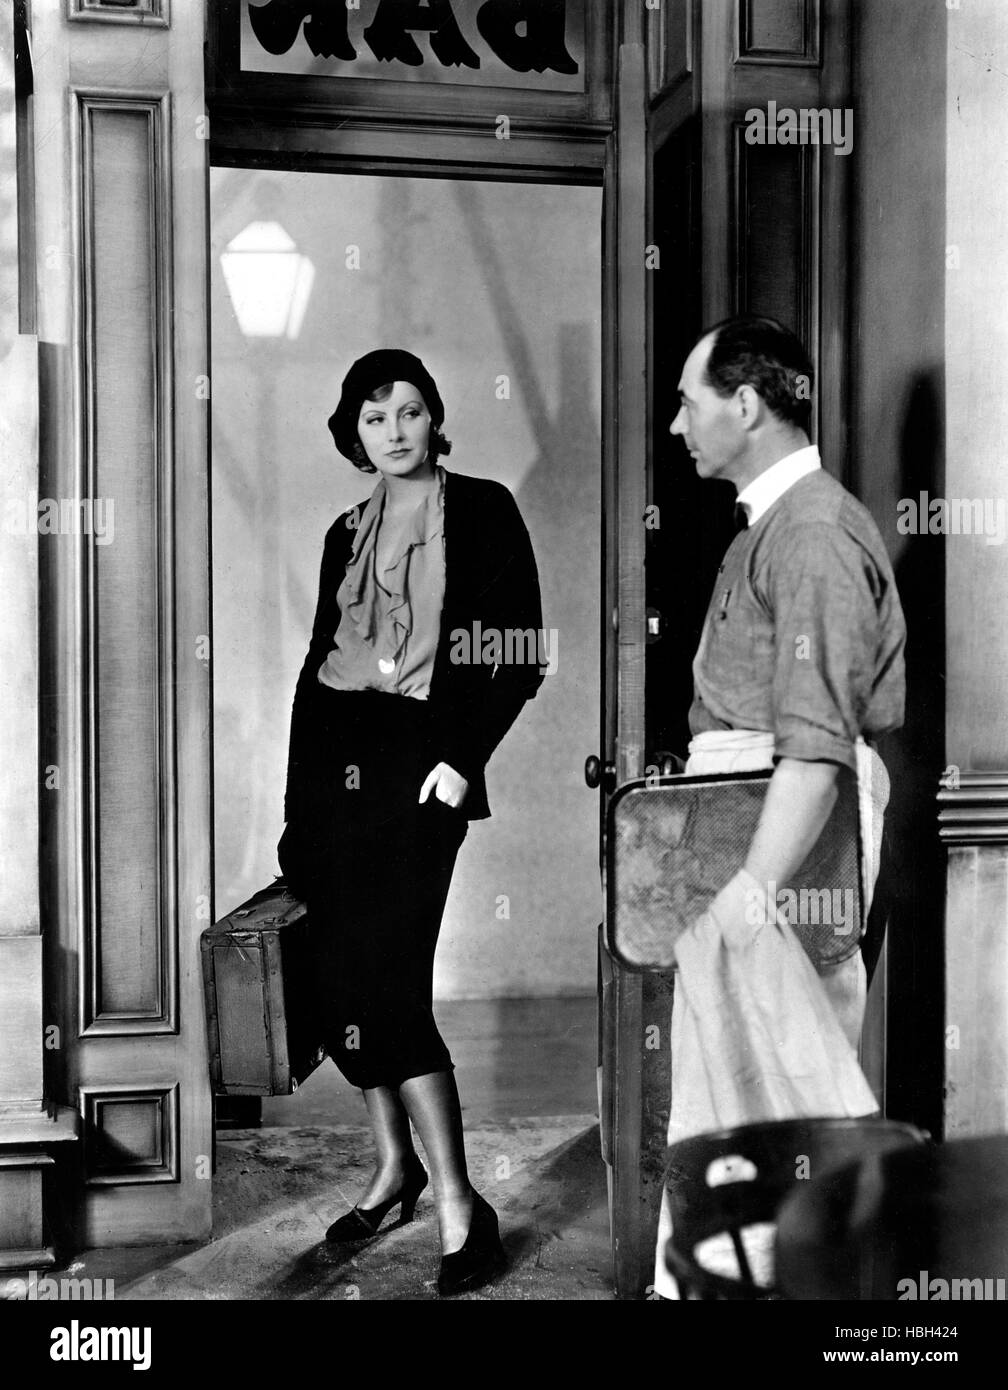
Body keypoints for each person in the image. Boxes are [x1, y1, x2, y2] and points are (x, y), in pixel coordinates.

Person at [278, 348, 545, 1297]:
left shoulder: (483, 510)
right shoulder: (343, 531)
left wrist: (458, 759)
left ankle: (462, 1204)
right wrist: (297, 810)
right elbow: (320, 668)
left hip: (422, 769)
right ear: (354, 431)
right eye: (375, 416)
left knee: (391, 986)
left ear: (437, 420)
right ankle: (394, 1173)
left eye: (410, 412)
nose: (393, 431)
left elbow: (518, 651)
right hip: (337, 777)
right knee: (343, 983)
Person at [651, 315, 907, 1298]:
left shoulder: (811, 532)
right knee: (734, 1090)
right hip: (744, 825)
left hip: (781, 835)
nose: (678, 423)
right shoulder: (779, 522)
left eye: (689, 399)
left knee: (794, 1085)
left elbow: (815, 742)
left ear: (747, 404)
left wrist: (757, 887)